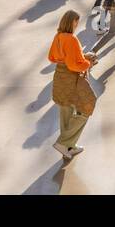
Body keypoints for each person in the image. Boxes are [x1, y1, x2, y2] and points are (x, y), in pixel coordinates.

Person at [48, 9, 98, 161]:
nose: (77, 24)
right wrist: (88, 63)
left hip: (59, 76)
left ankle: (68, 147)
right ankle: (64, 142)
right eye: (76, 21)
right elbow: (74, 65)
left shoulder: (58, 37)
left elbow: (51, 57)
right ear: (71, 22)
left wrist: (80, 57)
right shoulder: (71, 39)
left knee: (66, 111)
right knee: (86, 107)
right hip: (71, 79)